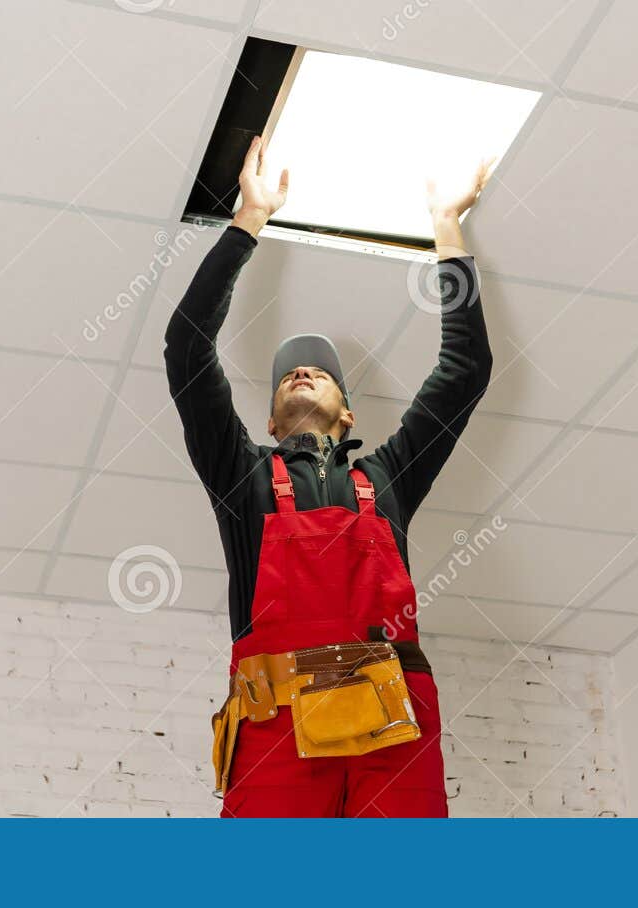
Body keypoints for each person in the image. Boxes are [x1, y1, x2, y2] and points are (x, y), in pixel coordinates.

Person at [164, 136, 494, 817]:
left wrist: (448, 227)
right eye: (288, 374)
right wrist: (248, 220)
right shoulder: (243, 475)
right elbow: (186, 345)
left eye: (319, 372)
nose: (301, 372)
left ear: (346, 413)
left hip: (391, 720)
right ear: (273, 420)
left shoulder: (388, 477)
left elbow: (467, 369)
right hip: (275, 724)